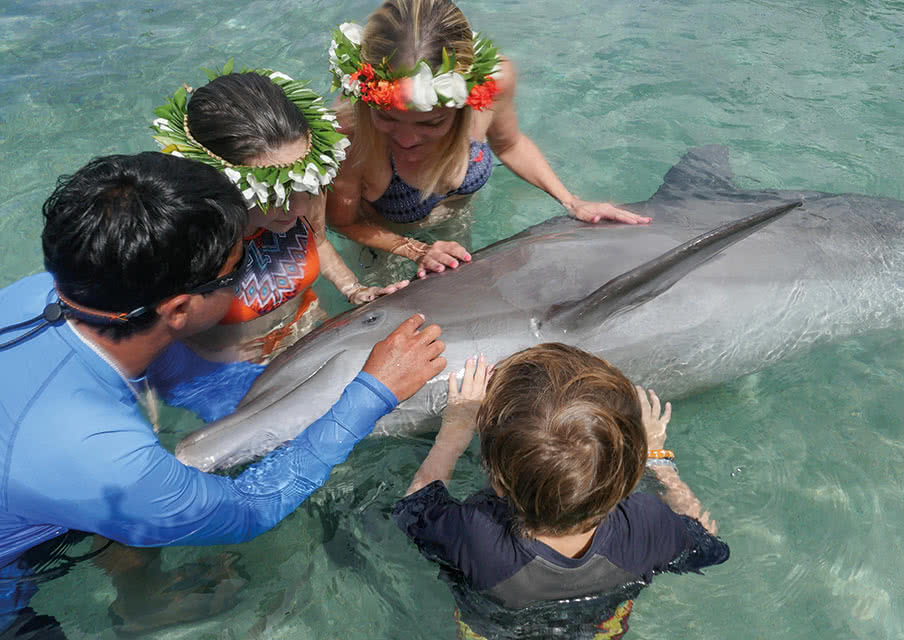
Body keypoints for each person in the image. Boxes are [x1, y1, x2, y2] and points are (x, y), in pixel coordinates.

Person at [0, 152, 446, 636]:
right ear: (178, 309)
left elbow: (190, 377)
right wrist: (372, 394)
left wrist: (338, 360)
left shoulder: (50, 291)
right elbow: (249, 508)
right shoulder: (110, 461)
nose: (245, 280)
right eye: (237, 273)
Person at [393, 346, 728, 639]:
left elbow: (413, 508)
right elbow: (709, 545)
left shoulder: (476, 534)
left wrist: (454, 431)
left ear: (497, 482)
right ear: (629, 473)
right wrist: (657, 457)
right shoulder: (646, 524)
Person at [324, 0, 653, 284]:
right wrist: (415, 249)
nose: (408, 139)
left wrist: (571, 201)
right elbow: (343, 222)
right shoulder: (348, 131)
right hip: (386, 240)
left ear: (468, 99)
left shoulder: (494, 84)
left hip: (458, 217)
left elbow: (509, 145)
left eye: (432, 122)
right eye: (388, 119)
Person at [152, 65, 408, 364]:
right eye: (274, 195)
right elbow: (156, 322)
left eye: (303, 185)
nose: (299, 208)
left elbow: (320, 244)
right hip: (232, 363)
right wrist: (210, 353)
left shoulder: (307, 194)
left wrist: (354, 290)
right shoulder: (185, 235)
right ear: (221, 185)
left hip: (309, 328)